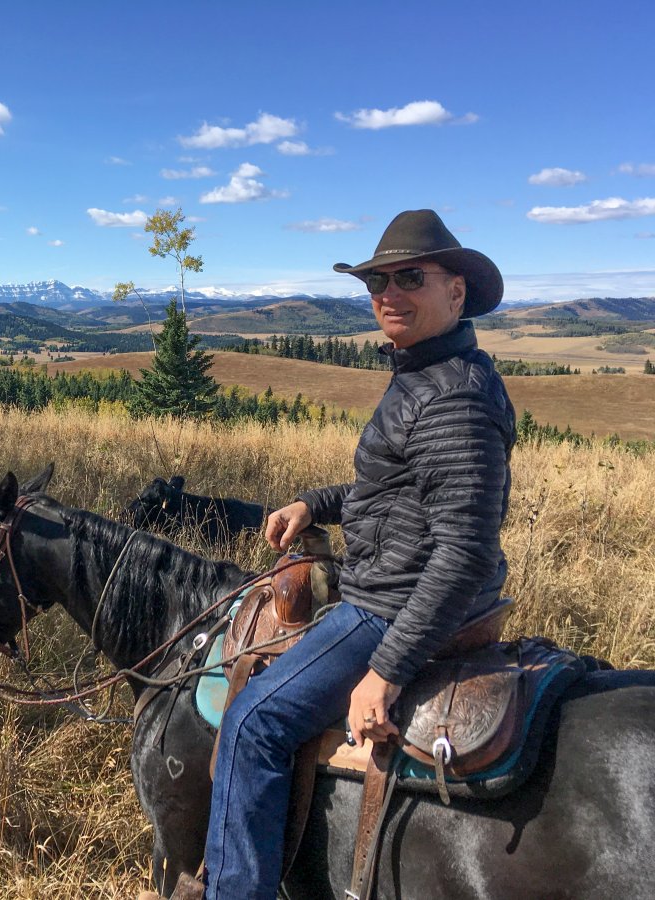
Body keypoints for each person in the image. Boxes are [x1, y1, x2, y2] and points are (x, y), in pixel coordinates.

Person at [199, 209, 516, 899]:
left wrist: (385, 670)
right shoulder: (425, 375)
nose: (388, 292)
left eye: (410, 277)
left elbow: (461, 553)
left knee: (254, 721)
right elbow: (389, 487)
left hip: (393, 607)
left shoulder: (453, 399)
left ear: (456, 292)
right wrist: (313, 504)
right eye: (377, 280)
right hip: (398, 587)